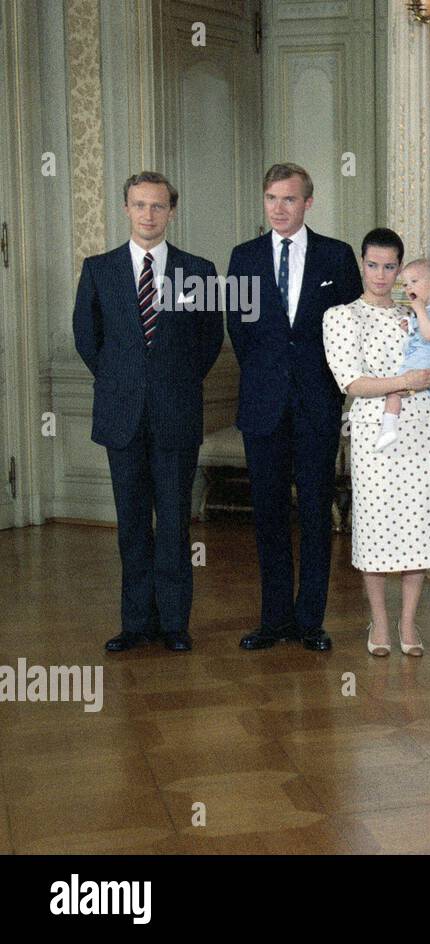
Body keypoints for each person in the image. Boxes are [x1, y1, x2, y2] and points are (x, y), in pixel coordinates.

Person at [72, 171, 223, 652]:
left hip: (175, 413)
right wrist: (126, 382)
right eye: (139, 205)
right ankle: (135, 623)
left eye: (158, 206)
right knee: (132, 523)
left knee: (175, 523)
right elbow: (87, 340)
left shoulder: (198, 270)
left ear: (171, 211)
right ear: (126, 209)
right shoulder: (99, 269)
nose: (149, 215)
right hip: (122, 415)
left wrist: (169, 383)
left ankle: (175, 623)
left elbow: (208, 340)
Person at [225, 163, 362, 652]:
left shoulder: (337, 256)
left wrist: (327, 386)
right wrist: (269, 378)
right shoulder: (244, 256)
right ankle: (274, 619)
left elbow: (351, 327)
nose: (278, 209)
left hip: (317, 405)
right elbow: (239, 329)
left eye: (288, 199)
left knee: (315, 513)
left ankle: (310, 621)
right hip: (263, 406)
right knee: (268, 513)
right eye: (270, 199)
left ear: (308, 202)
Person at [323, 229, 430, 655]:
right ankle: (379, 624)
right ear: (361, 265)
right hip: (375, 430)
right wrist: (404, 381)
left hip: (423, 429)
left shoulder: (419, 310)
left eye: (389, 267)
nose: (380, 275)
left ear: (400, 270)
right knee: (377, 527)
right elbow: (350, 381)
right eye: (372, 265)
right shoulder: (342, 315)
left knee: (418, 525)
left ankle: (408, 624)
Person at [384, 259, 430, 456]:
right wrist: (410, 326)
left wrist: (418, 311)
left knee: (394, 389)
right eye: (406, 284)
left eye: (414, 281)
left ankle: (388, 427)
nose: (409, 288)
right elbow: (420, 331)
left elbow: (429, 334)